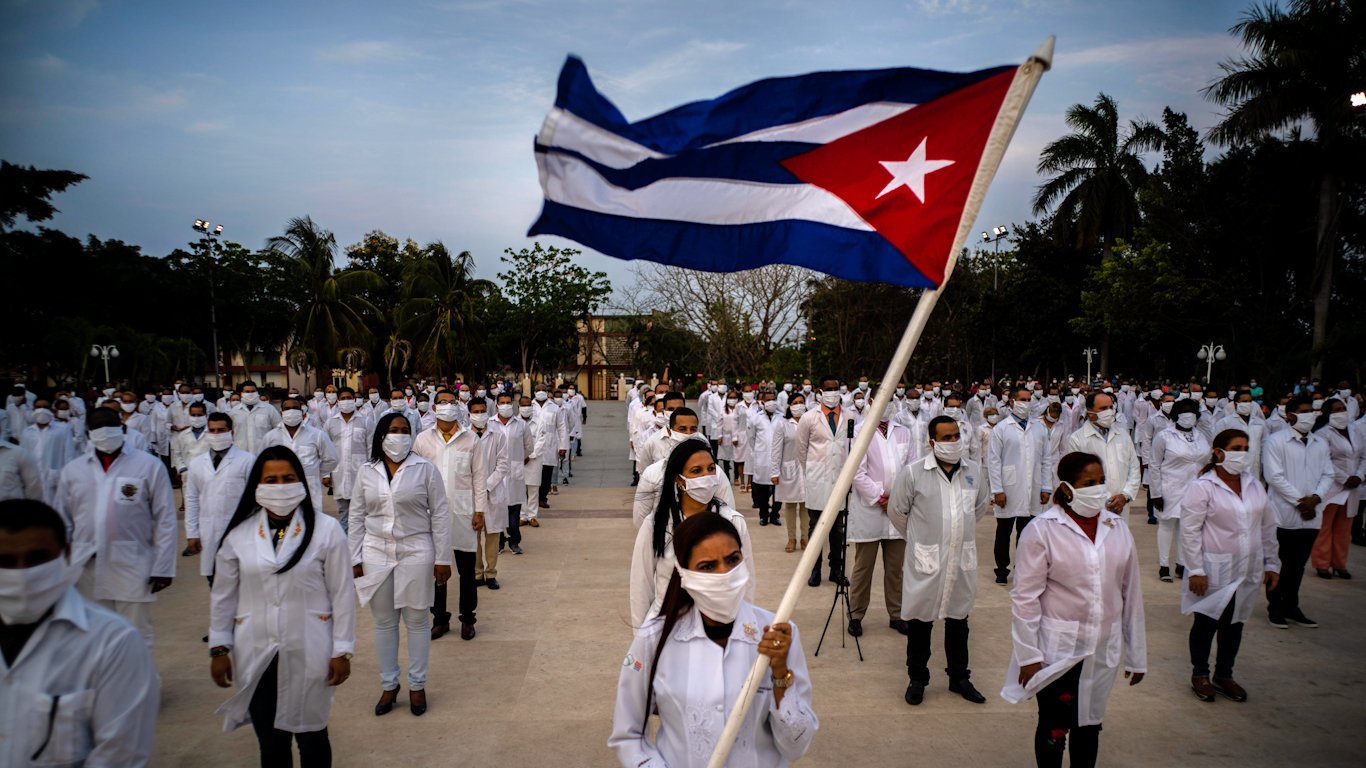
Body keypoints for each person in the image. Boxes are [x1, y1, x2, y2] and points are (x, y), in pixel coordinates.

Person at [610, 512, 816, 768]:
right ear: (684, 573)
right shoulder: (654, 639)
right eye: (707, 566)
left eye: (733, 560)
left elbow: (795, 746)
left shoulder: (778, 635)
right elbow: (628, 736)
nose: (725, 574)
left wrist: (780, 676)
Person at [207, 446, 355, 766]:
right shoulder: (239, 534)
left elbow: (342, 594)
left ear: (301, 482)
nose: (280, 486)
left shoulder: (326, 530)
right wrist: (219, 648)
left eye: (288, 478)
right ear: (257, 487)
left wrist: (342, 650)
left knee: (312, 736)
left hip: (310, 647)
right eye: (270, 480)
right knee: (271, 744)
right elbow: (223, 596)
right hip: (255, 650)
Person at [1002, 451, 1146, 768]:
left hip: (1103, 648)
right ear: (1067, 488)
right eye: (1088, 483)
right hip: (1058, 650)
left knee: (1089, 725)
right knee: (1055, 726)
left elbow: (1130, 592)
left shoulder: (1117, 526)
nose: (1098, 489)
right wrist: (1028, 656)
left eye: (1101, 481)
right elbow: (1025, 598)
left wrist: (1137, 655)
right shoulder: (1042, 530)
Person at [0, 498, 159, 766]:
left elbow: (120, 756)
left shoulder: (113, 643)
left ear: (67, 554)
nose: (22, 574)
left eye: (38, 558)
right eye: (4, 561)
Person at [349, 412, 451, 715]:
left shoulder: (425, 469)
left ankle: (417, 685)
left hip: (416, 551)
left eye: (405, 430)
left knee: (418, 622)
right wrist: (354, 557)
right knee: (384, 623)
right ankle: (389, 684)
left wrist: (443, 558)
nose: (399, 435)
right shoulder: (366, 471)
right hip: (375, 552)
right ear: (381, 436)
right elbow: (356, 516)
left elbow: (441, 514)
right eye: (393, 430)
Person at [888, 415, 991, 705]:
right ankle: (917, 678)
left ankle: (959, 678)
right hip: (927, 558)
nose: (953, 442)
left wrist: (956, 533)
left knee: (959, 618)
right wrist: (924, 538)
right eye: (946, 438)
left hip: (961, 557)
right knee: (921, 620)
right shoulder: (914, 473)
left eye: (957, 435)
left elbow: (979, 506)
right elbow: (898, 512)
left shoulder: (973, 471)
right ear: (931, 442)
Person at [56, 407, 177, 648]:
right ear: (88, 433)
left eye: (109, 427)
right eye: (97, 428)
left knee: (136, 632)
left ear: (123, 430)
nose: (104, 434)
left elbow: (165, 518)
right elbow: (62, 520)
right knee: (93, 633)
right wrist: (60, 565)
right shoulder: (74, 470)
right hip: (84, 564)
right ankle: (103, 685)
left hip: (133, 562)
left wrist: (164, 566)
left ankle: (141, 685)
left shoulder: (148, 465)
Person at [1179, 429, 1280, 702]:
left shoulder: (1253, 484)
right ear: (1218, 452)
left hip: (1248, 567)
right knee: (1207, 620)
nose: (1242, 453)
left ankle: (1224, 675)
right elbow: (1189, 532)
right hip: (1214, 567)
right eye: (1236, 447)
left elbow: (1267, 526)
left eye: (1246, 447)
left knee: (1235, 623)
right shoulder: (1202, 487)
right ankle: (1200, 673)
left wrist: (1272, 563)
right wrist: (1196, 570)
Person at [630, 441, 755, 629]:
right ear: (679, 480)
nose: (707, 476)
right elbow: (641, 587)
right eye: (697, 471)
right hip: (668, 628)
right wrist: (642, 642)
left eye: (711, 469)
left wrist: (744, 628)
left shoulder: (733, 522)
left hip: (719, 627)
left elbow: (746, 582)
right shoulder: (656, 525)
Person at [412, 389, 484, 641]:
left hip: (464, 514)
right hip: (431, 516)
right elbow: (415, 477)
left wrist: (480, 511)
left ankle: (468, 619)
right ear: (434, 408)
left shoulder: (471, 439)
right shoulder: (422, 440)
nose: (448, 406)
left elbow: (479, 478)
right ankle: (440, 619)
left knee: (466, 571)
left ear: (458, 408)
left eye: (452, 402)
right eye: (442, 402)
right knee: (436, 571)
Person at [845, 405, 918, 638]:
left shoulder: (903, 432)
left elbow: (911, 468)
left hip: (898, 510)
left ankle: (896, 615)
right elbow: (856, 473)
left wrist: (897, 499)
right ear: (871, 403)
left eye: (891, 399)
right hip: (870, 509)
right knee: (863, 568)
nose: (887, 405)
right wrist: (879, 498)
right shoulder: (859, 432)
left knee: (896, 569)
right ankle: (855, 615)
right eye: (881, 399)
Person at [1260, 395, 1331, 629]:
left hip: (1311, 516)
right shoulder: (1275, 441)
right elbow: (1274, 477)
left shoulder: (1320, 443)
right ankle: (1275, 607)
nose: (1310, 414)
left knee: (1298, 564)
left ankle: (1292, 605)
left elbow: (1328, 474)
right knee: (1278, 562)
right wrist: (1302, 502)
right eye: (1304, 411)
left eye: (1312, 410)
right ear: (1290, 416)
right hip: (1283, 515)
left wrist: (1316, 498)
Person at [184, 412, 255, 593]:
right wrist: (192, 533)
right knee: (215, 585)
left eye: (221, 430)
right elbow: (192, 499)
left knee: (243, 585)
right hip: (209, 532)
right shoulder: (197, 464)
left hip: (241, 532)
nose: (216, 434)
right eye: (212, 430)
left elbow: (256, 500)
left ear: (231, 433)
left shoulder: (247, 460)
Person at [987, 387, 1048, 584]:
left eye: (1029, 399)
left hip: (1033, 488)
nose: (1026, 403)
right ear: (1012, 402)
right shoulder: (1001, 429)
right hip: (1008, 489)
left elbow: (1046, 460)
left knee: (1028, 533)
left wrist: (1046, 487)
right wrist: (997, 491)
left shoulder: (1039, 428)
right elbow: (994, 461)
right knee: (1004, 531)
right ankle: (1002, 570)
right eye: (1022, 399)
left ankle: (1023, 568)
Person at [797, 376, 852, 587]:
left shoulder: (850, 416)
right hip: (817, 479)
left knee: (838, 529)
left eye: (836, 388)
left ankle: (836, 570)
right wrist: (813, 469)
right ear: (820, 391)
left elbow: (852, 446)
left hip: (840, 478)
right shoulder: (809, 418)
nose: (832, 392)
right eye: (828, 389)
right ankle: (815, 570)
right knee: (815, 527)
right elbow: (802, 450)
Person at [1149, 399, 1211, 583]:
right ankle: (1164, 566)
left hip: (1195, 489)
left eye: (1192, 411)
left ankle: (1181, 564)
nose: (1189, 415)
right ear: (1176, 415)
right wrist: (1156, 494)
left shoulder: (1200, 435)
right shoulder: (1164, 436)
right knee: (1167, 525)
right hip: (1170, 488)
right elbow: (1154, 465)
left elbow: (1204, 461)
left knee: (1187, 527)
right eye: (1184, 411)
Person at [1065, 392, 1141, 521]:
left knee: (1119, 538)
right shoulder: (1077, 439)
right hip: (1093, 507)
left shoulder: (1122, 435)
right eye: (1103, 408)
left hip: (1121, 505)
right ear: (1090, 411)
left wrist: (1125, 495)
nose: (1110, 412)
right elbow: (1077, 477)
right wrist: (1108, 500)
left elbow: (1134, 468)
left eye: (1111, 407)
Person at [1309, 398, 1361, 578]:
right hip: (1332, 486)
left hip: (1353, 486)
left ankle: (1340, 564)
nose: (1341, 413)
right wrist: (1345, 478)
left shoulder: (1355, 431)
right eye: (1337, 410)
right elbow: (1326, 460)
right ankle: (1322, 563)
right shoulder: (1323, 434)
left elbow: (1363, 456)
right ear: (1328, 414)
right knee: (1325, 527)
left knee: (1344, 527)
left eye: (1343, 409)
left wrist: (1359, 476)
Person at [261, 396, 339, 510]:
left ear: (302, 411)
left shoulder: (317, 435)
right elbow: (262, 463)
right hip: (280, 491)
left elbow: (332, 459)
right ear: (281, 412)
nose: (291, 411)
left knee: (310, 521)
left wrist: (316, 472)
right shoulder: (270, 437)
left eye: (295, 408)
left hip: (309, 489)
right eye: (287, 409)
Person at [466, 399, 509, 589]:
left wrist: (486, 485)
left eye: (483, 410)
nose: (479, 414)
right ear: (469, 414)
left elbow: (503, 465)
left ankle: (491, 573)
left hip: (492, 492)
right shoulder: (464, 436)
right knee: (473, 536)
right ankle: (477, 573)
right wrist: (476, 487)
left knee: (492, 536)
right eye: (475, 411)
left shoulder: (498, 436)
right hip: (470, 493)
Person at [490, 392, 534, 556]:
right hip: (496, 473)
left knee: (514, 509)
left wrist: (518, 459)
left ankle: (514, 541)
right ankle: (500, 541)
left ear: (513, 405)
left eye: (508, 402)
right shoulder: (490, 424)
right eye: (502, 402)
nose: (506, 405)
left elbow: (529, 447)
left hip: (514, 472)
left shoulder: (521, 424)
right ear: (497, 405)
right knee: (498, 509)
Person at [324, 388, 372, 536]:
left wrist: (372, 473)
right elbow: (326, 450)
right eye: (343, 398)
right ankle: (345, 550)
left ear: (354, 400)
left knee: (361, 516)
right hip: (339, 476)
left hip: (361, 475)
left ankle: (362, 550)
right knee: (344, 515)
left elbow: (371, 449)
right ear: (338, 401)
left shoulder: (365, 421)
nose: (346, 401)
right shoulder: (330, 423)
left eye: (349, 397)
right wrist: (326, 474)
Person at [772, 393, 809, 553]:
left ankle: (805, 537)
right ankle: (792, 538)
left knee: (806, 505)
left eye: (801, 402)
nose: (798, 405)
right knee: (791, 505)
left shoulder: (810, 422)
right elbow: (776, 449)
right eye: (795, 402)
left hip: (808, 469)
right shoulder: (783, 425)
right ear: (789, 406)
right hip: (789, 470)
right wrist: (774, 471)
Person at [22, 398, 76, 503]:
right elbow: (23, 456)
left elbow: (69, 455)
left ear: (51, 410)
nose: (42, 410)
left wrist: (66, 477)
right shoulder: (27, 432)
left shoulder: (63, 429)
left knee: (55, 509)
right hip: (33, 479)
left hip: (55, 477)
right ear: (33, 410)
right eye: (38, 407)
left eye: (45, 407)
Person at [748, 391, 783, 528]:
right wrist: (756, 454)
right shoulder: (756, 419)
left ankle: (775, 515)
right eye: (768, 400)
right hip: (761, 458)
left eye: (774, 399)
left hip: (778, 459)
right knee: (762, 492)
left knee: (778, 491)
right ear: (761, 402)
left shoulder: (781, 417)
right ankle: (764, 516)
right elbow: (751, 439)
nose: (772, 402)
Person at [1215, 390, 1267, 481]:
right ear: (1235, 404)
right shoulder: (1225, 422)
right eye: (1244, 401)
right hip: (1231, 468)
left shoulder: (1260, 423)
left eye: (1250, 401)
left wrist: (1265, 466)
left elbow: (1265, 445)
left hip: (1255, 468)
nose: (1248, 404)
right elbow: (1216, 446)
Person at [232, 382, 282, 455]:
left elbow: (279, 429)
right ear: (241, 393)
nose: (250, 393)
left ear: (257, 392)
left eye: (253, 391)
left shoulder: (269, 409)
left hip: (264, 453)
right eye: (247, 391)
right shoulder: (234, 411)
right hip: (241, 454)